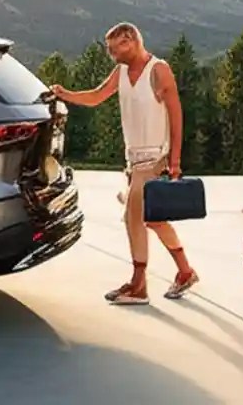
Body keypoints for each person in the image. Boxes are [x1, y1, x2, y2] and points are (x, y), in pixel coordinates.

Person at [51, 22, 198, 305]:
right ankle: (185, 271)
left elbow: (177, 117)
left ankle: (138, 285)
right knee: (153, 219)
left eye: (113, 48)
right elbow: (96, 96)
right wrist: (65, 94)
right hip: (133, 162)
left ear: (129, 40)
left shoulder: (159, 70)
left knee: (134, 219)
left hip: (155, 160)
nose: (111, 55)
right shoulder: (120, 72)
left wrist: (176, 161)